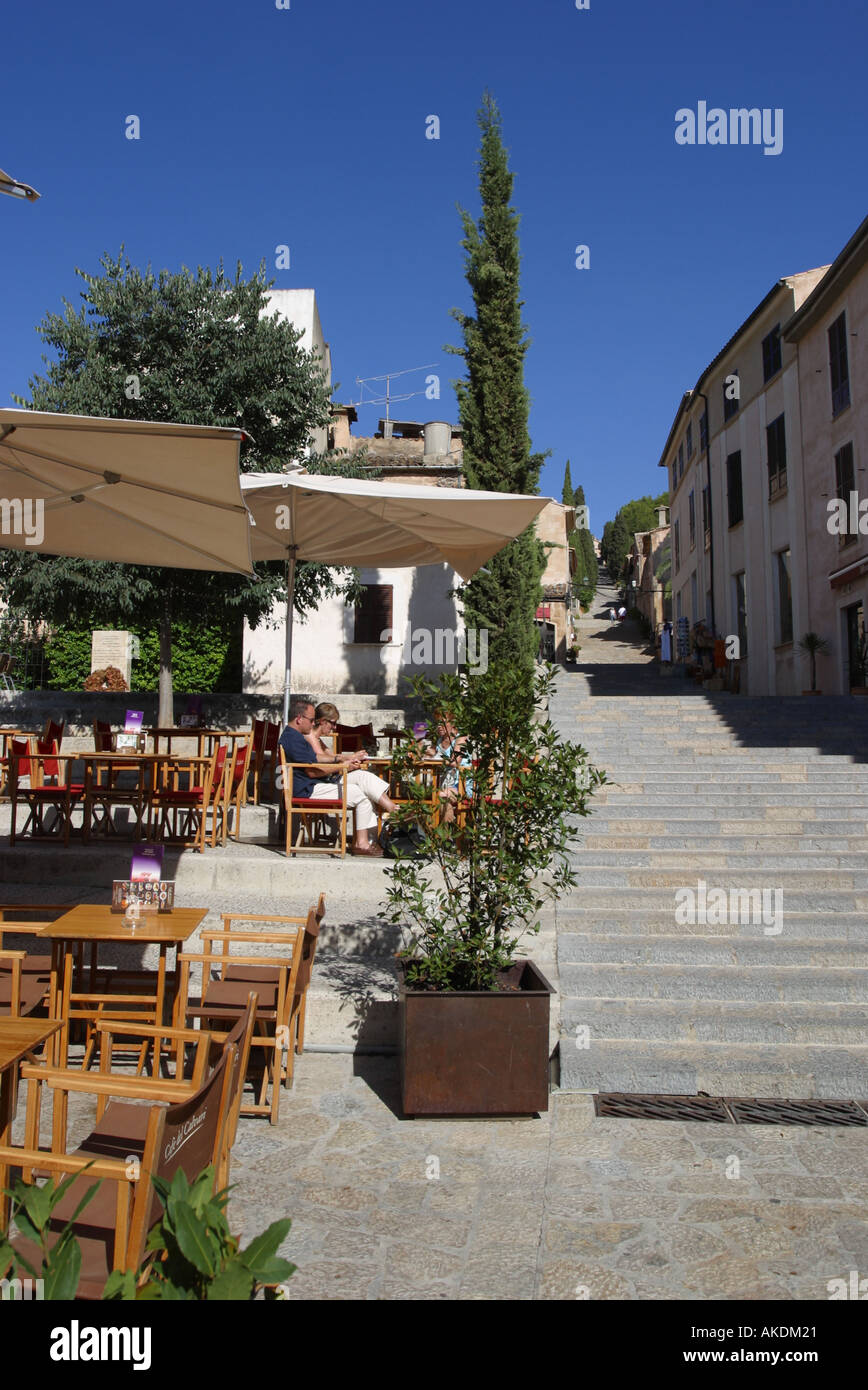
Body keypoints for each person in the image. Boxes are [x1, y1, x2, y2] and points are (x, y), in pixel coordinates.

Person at [279, 698, 396, 856]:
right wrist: (343, 766)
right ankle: (362, 844)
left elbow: (316, 759)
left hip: (310, 785)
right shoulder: (294, 739)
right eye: (312, 720)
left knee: (362, 781)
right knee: (359, 794)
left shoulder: (294, 736)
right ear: (299, 719)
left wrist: (340, 759)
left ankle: (386, 819)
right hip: (306, 789)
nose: (313, 724)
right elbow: (313, 771)